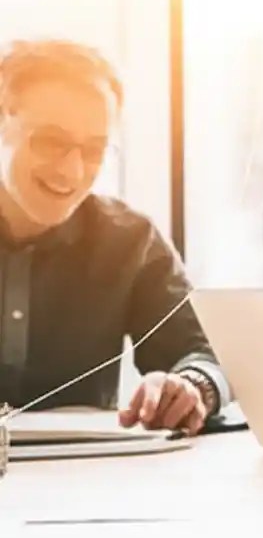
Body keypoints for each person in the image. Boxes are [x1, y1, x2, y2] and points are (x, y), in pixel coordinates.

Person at [0, 40, 227, 434]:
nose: (72, 171)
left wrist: (190, 385)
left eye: (94, 150)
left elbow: (204, 353)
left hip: (83, 469)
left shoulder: (130, 241)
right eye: (51, 141)